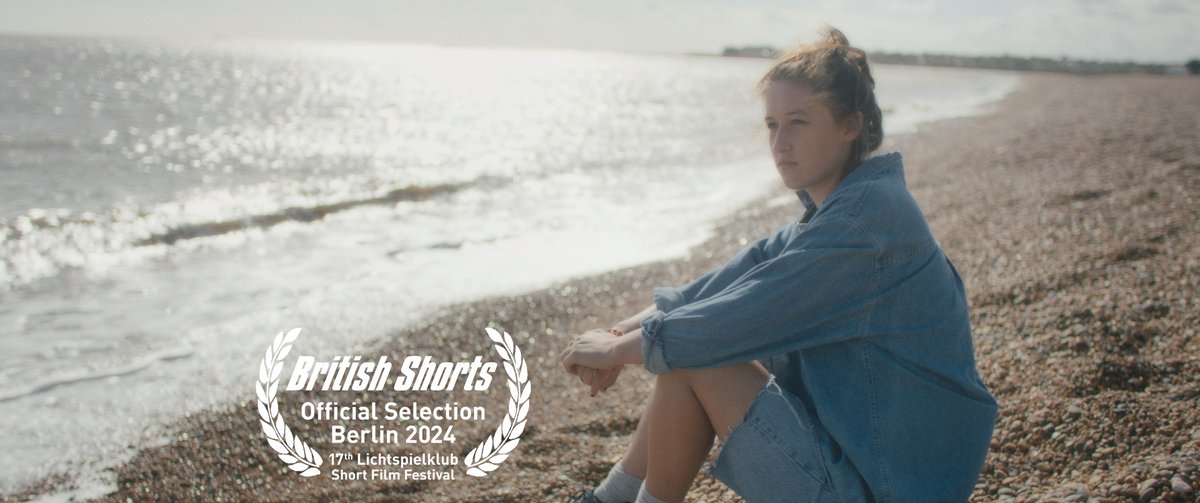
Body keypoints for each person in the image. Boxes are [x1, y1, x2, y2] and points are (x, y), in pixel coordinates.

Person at [559, 27, 997, 503]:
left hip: (885, 490)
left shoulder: (862, 227)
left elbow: (728, 322)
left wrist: (617, 352)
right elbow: (715, 289)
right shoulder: (837, 214)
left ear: (850, 125)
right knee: (687, 338)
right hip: (867, 468)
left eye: (798, 122)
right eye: (772, 125)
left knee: (698, 348)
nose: (780, 143)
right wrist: (616, 335)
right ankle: (610, 499)